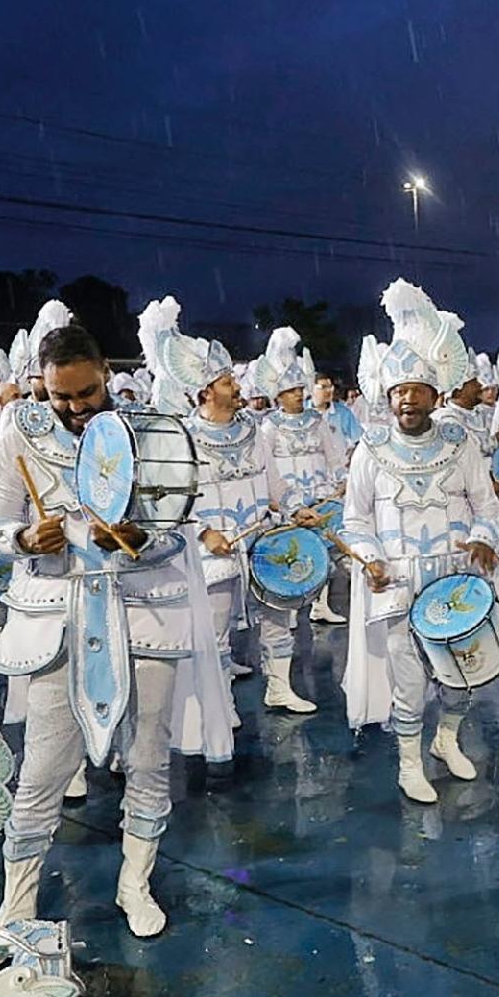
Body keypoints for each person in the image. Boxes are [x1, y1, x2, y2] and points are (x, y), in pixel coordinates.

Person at [0, 319, 228, 961]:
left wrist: (147, 539)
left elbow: (181, 525)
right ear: (42, 387)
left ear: (105, 376)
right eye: (62, 397)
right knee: (42, 771)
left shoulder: (154, 431)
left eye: (86, 393)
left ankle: (135, 885)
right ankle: (14, 910)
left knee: (148, 760)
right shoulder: (17, 435)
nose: (76, 408)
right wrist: (24, 540)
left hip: (145, 610)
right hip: (58, 613)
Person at [341, 281, 498, 803]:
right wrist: (370, 560)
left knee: (460, 679)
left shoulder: (462, 442)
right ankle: (410, 763)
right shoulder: (369, 449)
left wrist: (481, 538)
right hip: (399, 585)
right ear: (387, 397)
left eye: (417, 390)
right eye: (398, 391)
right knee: (408, 684)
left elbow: (487, 502)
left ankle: (445, 741)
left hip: (455, 581)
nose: (407, 399)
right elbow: (354, 518)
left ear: (435, 395)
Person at [142, 296, 316, 717]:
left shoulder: (253, 428)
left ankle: (279, 688)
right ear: (205, 392)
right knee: (216, 629)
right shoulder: (181, 437)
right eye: (226, 382)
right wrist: (204, 532)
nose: (237, 386)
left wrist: (294, 509)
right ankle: (220, 703)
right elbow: (167, 496)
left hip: (261, 541)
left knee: (278, 619)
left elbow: (273, 480)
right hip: (213, 550)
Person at [259, 329, 351, 625]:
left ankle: (320, 605)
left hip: (320, 494)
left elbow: (334, 454)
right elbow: (266, 467)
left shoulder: (316, 419)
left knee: (322, 551)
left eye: (301, 389)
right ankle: (289, 610)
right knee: (292, 554)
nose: (298, 394)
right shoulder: (269, 426)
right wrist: (276, 500)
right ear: (278, 395)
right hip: (287, 502)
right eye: (291, 391)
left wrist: (342, 481)